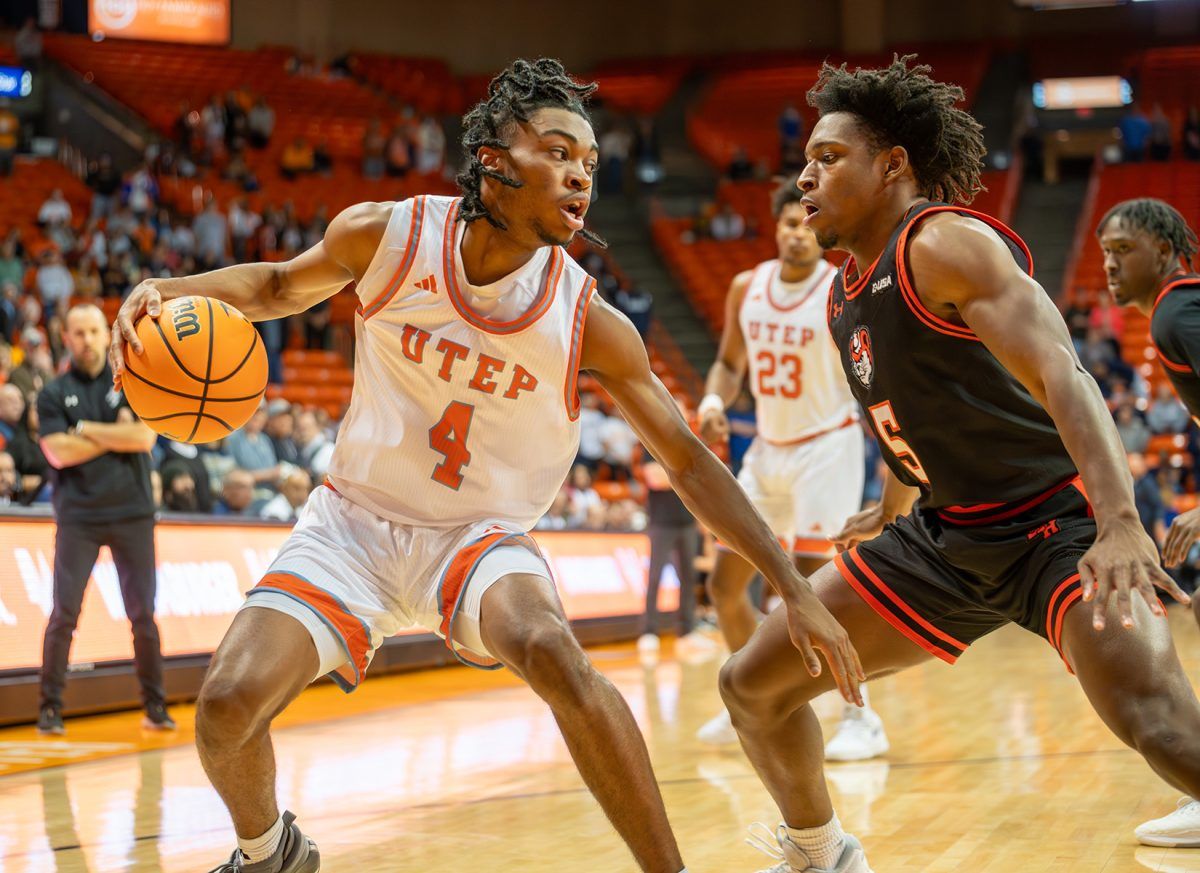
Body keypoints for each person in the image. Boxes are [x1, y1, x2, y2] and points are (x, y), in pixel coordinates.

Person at [110, 58, 861, 873]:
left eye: (590, 164)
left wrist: (789, 585)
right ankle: (269, 854)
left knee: (550, 648)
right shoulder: (389, 236)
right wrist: (168, 286)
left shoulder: (588, 320)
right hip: (352, 523)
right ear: (495, 159)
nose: (580, 175)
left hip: (479, 536)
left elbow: (687, 458)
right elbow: (276, 285)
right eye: (559, 151)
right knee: (224, 706)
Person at [719, 56, 1199, 873]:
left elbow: (1064, 374)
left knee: (1156, 725)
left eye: (828, 158)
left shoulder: (943, 243)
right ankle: (820, 853)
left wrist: (1121, 522)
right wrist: (894, 498)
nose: (806, 177)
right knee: (753, 683)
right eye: (806, 162)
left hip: (1056, 529)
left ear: (893, 164)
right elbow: (920, 409)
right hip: (945, 539)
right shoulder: (844, 292)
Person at [694, 176, 887, 757]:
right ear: (775, 227)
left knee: (815, 590)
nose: (797, 233)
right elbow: (729, 365)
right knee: (724, 586)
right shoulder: (745, 288)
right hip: (768, 451)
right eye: (787, 222)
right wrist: (710, 402)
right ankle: (750, 700)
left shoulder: (841, 288)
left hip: (826, 446)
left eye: (807, 223)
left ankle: (861, 720)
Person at [36, 304, 172, 736]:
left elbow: (143, 436)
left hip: (132, 514)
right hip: (78, 517)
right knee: (64, 615)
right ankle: (49, 710)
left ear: (105, 333)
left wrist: (83, 431)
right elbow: (57, 452)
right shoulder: (53, 393)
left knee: (143, 617)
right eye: (78, 333)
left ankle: (155, 707)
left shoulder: (129, 384)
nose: (87, 340)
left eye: (94, 331)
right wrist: (115, 434)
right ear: (65, 337)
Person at [1098, 199, 1200, 661]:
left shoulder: (1176, 314)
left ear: (1162, 250)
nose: (1110, 264)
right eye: (1104, 252)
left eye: (1122, 248)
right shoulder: (1175, 309)